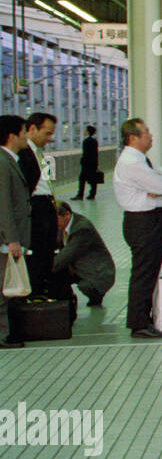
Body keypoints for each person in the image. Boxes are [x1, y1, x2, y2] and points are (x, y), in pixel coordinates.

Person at [113, 118, 162, 339]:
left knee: (148, 272)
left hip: (149, 220)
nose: (151, 135)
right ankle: (138, 323)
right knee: (144, 273)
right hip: (143, 222)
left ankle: (143, 318)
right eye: (146, 132)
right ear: (133, 138)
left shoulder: (141, 159)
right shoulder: (131, 162)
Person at [0, 115, 31, 348]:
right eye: (23, 132)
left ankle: (6, 333)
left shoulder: (10, 160)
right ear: (12, 136)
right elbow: (3, 205)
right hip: (5, 239)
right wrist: (12, 239)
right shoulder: (2, 162)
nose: (26, 137)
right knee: (3, 287)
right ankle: (2, 336)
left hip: (10, 238)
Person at [19, 112, 57, 296]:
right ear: (32, 128)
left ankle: (42, 289)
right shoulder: (24, 153)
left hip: (46, 206)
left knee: (47, 255)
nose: (49, 138)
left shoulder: (36, 152)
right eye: (47, 133)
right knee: (39, 256)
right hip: (37, 208)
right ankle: (36, 293)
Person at [51, 201, 115, 308]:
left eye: (56, 219)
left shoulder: (82, 229)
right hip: (80, 265)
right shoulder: (62, 226)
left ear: (67, 214)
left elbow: (66, 256)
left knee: (84, 285)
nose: (53, 223)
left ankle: (96, 295)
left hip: (98, 272)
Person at [73, 125, 99, 200]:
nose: (84, 131)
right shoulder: (95, 141)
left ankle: (80, 195)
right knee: (93, 180)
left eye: (85, 130)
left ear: (88, 132)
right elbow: (95, 153)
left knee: (82, 179)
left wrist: (82, 161)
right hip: (93, 163)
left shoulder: (86, 141)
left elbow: (86, 153)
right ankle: (92, 195)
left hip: (86, 164)